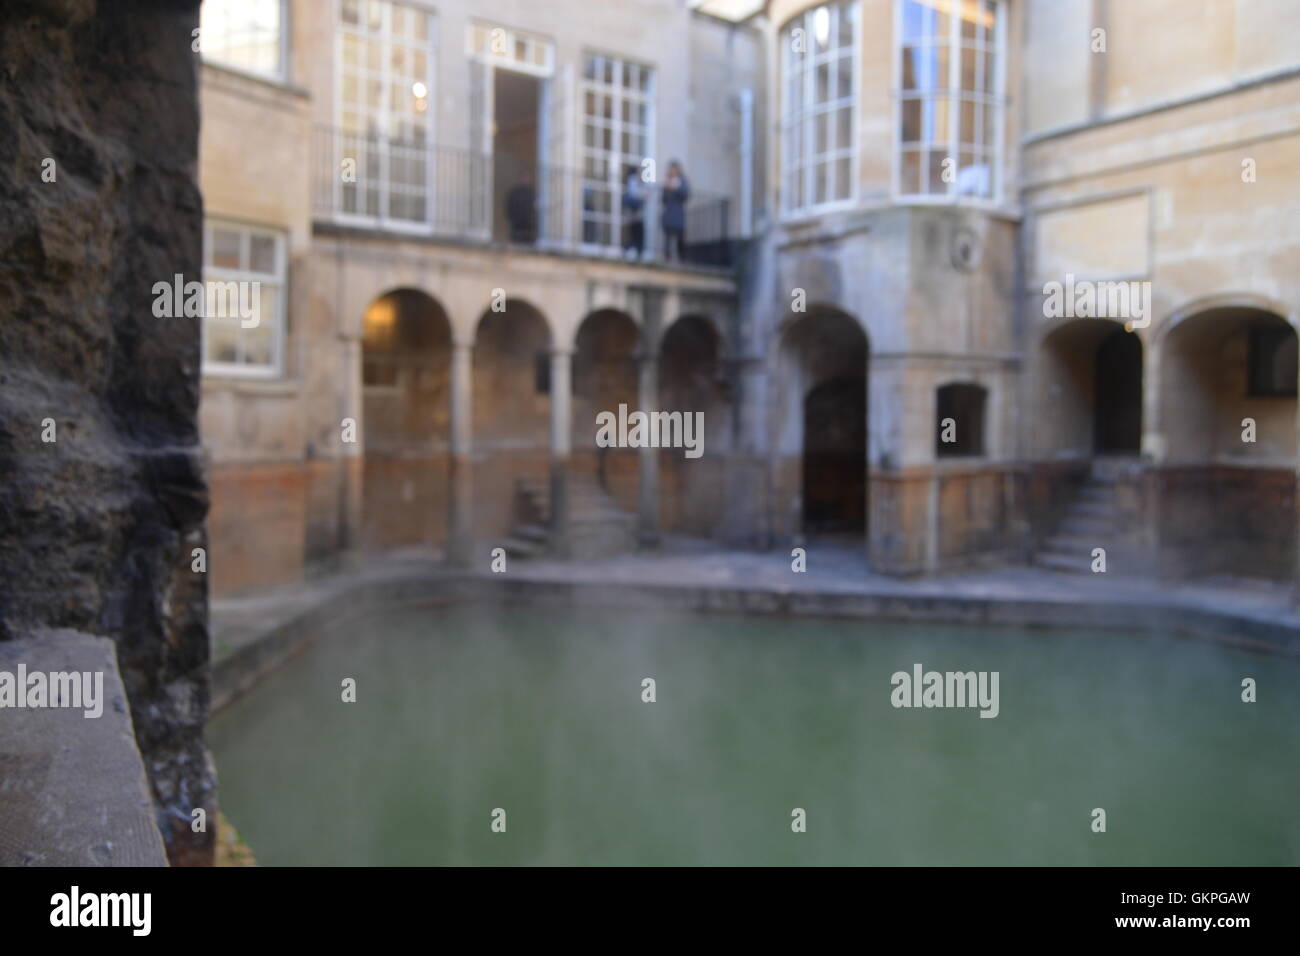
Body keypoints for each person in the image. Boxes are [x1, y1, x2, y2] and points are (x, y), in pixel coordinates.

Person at [661, 160, 690, 262]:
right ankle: (667, 258)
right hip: (669, 213)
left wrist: (676, 189)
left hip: (678, 213)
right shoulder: (667, 181)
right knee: (668, 237)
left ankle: (682, 259)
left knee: (680, 237)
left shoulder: (682, 181)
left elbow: (685, 195)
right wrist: (667, 188)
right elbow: (663, 199)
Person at [621, 165, 647, 259]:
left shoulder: (633, 181)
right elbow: (636, 195)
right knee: (636, 235)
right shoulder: (633, 181)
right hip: (634, 214)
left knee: (635, 235)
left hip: (634, 214)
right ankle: (633, 251)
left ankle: (632, 251)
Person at [505, 170, 536, 244]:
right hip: (517, 223)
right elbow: (509, 206)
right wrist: (512, 217)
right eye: (524, 178)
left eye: (527, 178)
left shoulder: (532, 193)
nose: (525, 180)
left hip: (528, 224)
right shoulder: (514, 192)